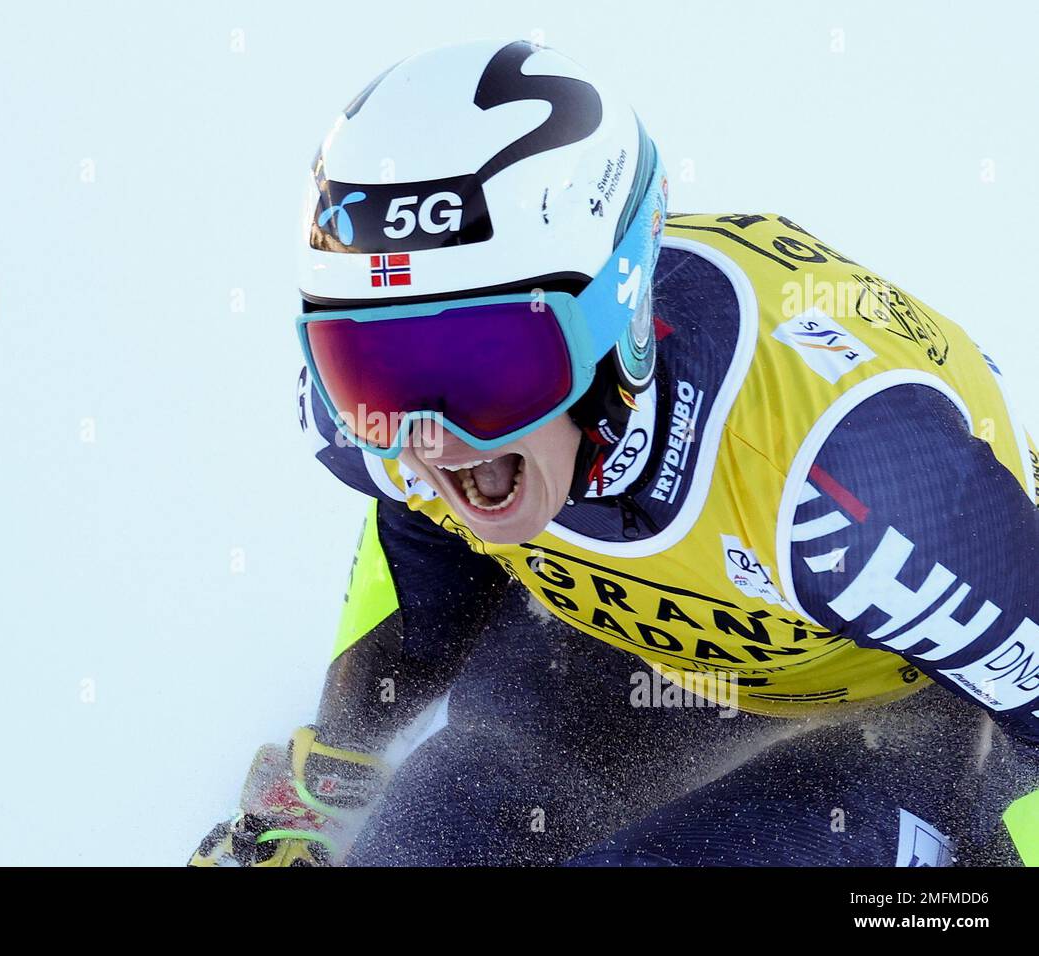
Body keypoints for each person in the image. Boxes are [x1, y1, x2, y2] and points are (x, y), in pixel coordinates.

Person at [189, 39, 1039, 867]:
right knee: (440, 823)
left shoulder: (844, 483)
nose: (434, 439)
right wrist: (340, 765)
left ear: (618, 317)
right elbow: (418, 527)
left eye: (486, 365)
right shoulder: (361, 424)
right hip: (661, 649)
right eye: (375, 369)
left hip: (937, 710)